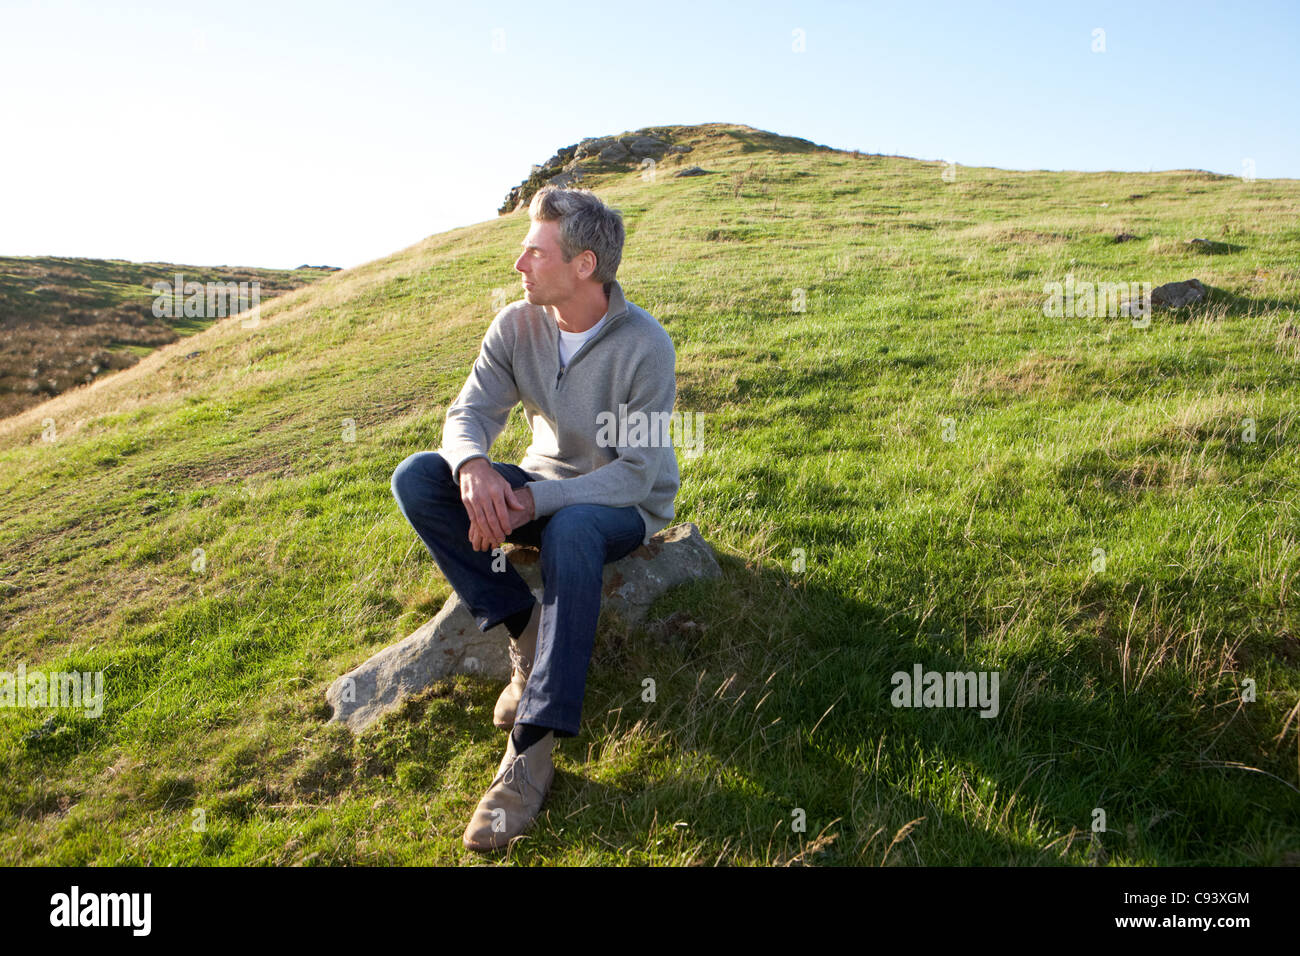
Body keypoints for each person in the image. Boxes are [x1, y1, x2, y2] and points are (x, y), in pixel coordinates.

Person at [389, 185, 679, 851]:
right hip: (539, 485)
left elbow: (636, 471)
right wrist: (473, 468)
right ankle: (525, 629)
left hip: (619, 506)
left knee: (575, 531)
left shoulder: (645, 346)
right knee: (418, 477)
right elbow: (467, 415)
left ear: (584, 266)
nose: (519, 265)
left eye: (535, 252)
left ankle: (530, 754)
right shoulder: (516, 324)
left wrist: (534, 502)